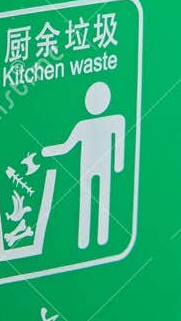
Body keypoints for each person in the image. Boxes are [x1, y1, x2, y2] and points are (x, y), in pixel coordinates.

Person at [43, 82, 126, 250]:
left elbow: (120, 142)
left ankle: (102, 237)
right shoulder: (83, 126)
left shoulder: (115, 121)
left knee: (103, 199)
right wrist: (48, 151)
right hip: (86, 167)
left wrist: (118, 164)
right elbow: (67, 146)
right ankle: (84, 239)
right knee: (86, 200)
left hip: (104, 166)